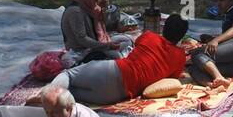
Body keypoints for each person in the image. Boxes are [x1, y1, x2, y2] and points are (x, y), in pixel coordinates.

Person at [49, 14, 189, 106]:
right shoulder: (180, 57)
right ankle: (51, 99)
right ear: (181, 36)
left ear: (164, 29)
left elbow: (135, 43)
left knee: (67, 76)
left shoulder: (150, 36)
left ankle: (47, 96)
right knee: (70, 92)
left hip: (113, 71)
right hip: (116, 95)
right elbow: (170, 80)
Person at [60, 0, 134, 60]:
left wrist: (104, 8)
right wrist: (106, 46)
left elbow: (102, 27)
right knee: (116, 56)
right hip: (81, 52)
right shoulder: (75, 12)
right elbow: (83, 40)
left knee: (128, 40)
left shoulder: (89, 6)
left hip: (95, 43)